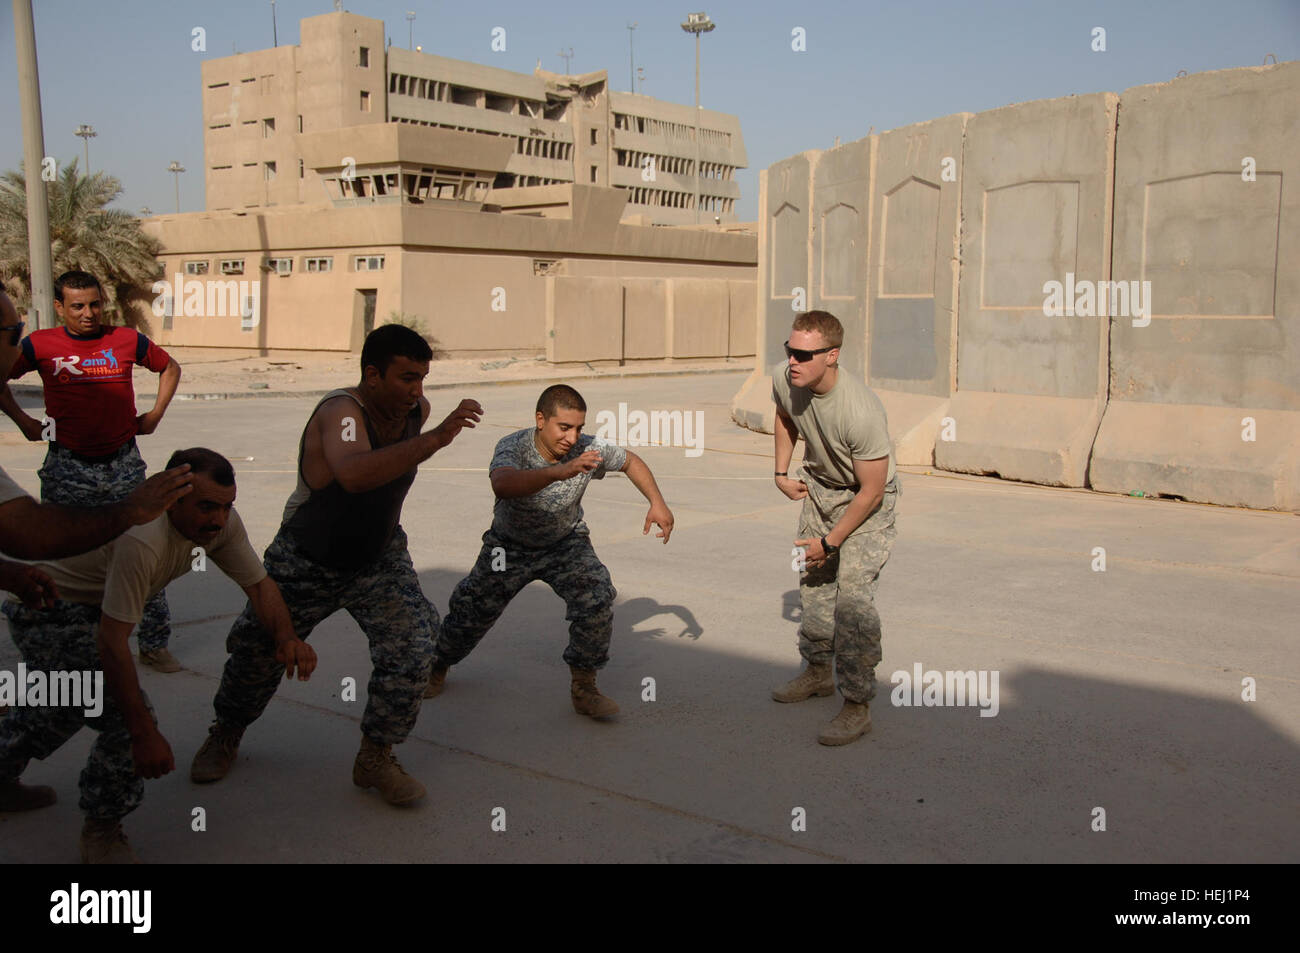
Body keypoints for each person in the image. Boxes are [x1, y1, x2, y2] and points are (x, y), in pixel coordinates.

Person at [191, 325, 482, 806]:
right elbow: (354, 473)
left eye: (423, 379)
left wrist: (429, 430)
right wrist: (437, 439)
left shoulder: (417, 412)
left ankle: (376, 757)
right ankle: (226, 730)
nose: (417, 391)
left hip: (378, 557)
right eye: (407, 378)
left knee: (414, 645)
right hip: (308, 556)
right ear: (372, 374)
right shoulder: (342, 412)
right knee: (258, 649)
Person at [0, 448, 312, 862]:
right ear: (172, 500)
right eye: (206, 506)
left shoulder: (219, 526)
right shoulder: (142, 538)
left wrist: (286, 636)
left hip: (96, 605)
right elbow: (113, 644)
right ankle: (103, 830)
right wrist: (144, 734)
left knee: (63, 703)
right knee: (123, 720)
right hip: (49, 606)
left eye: (226, 506)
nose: (217, 519)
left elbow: (259, 585)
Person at [424, 384, 674, 718]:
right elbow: (503, 484)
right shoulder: (513, 446)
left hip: (564, 543)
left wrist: (657, 502)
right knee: (471, 611)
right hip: (508, 547)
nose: (572, 438)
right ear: (541, 420)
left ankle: (584, 686)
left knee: (596, 596)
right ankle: (437, 664)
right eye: (564, 427)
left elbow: (630, 461)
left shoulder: (588, 448)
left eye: (579, 428)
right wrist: (559, 471)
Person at [0, 271, 185, 673]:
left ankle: (154, 644)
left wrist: (154, 415)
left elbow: (169, 367)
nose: (88, 314)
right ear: (60, 307)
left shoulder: (125, 340)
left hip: (123, 464)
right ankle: (62, 650)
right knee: (62, 558)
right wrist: (22, 421)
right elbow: (1, 379)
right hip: (68, 466)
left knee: (144, 552)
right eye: (78, 306)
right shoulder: (39, 345)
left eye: (95, 304)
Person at [770, 310, 899, 746]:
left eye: (804, 355)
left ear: (832, 356)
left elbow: (873, 491)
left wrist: (831, 540)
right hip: (819, 491)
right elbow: (786, 416)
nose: (793, 361)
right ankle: (817, 673)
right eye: (790, 351)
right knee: (815, 589)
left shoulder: (860, 411)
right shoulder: (787, 379)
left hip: (864, 505)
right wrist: (780, 471)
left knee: (854, 606)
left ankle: (857, 705)